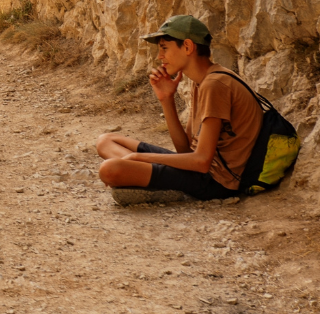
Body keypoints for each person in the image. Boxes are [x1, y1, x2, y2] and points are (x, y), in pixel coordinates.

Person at [95, 14, 262, 204]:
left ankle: (161, 186)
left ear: (188, 47)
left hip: (216, 182)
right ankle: (149, 179)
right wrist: (167, 100)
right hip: (199, 168)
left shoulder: (215, 84)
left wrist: (137, 158)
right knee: (105, 141)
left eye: (164, 48)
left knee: (109, 170)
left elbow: (201, 161)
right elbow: (185, 150)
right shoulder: (201, 82)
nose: (160, 56)